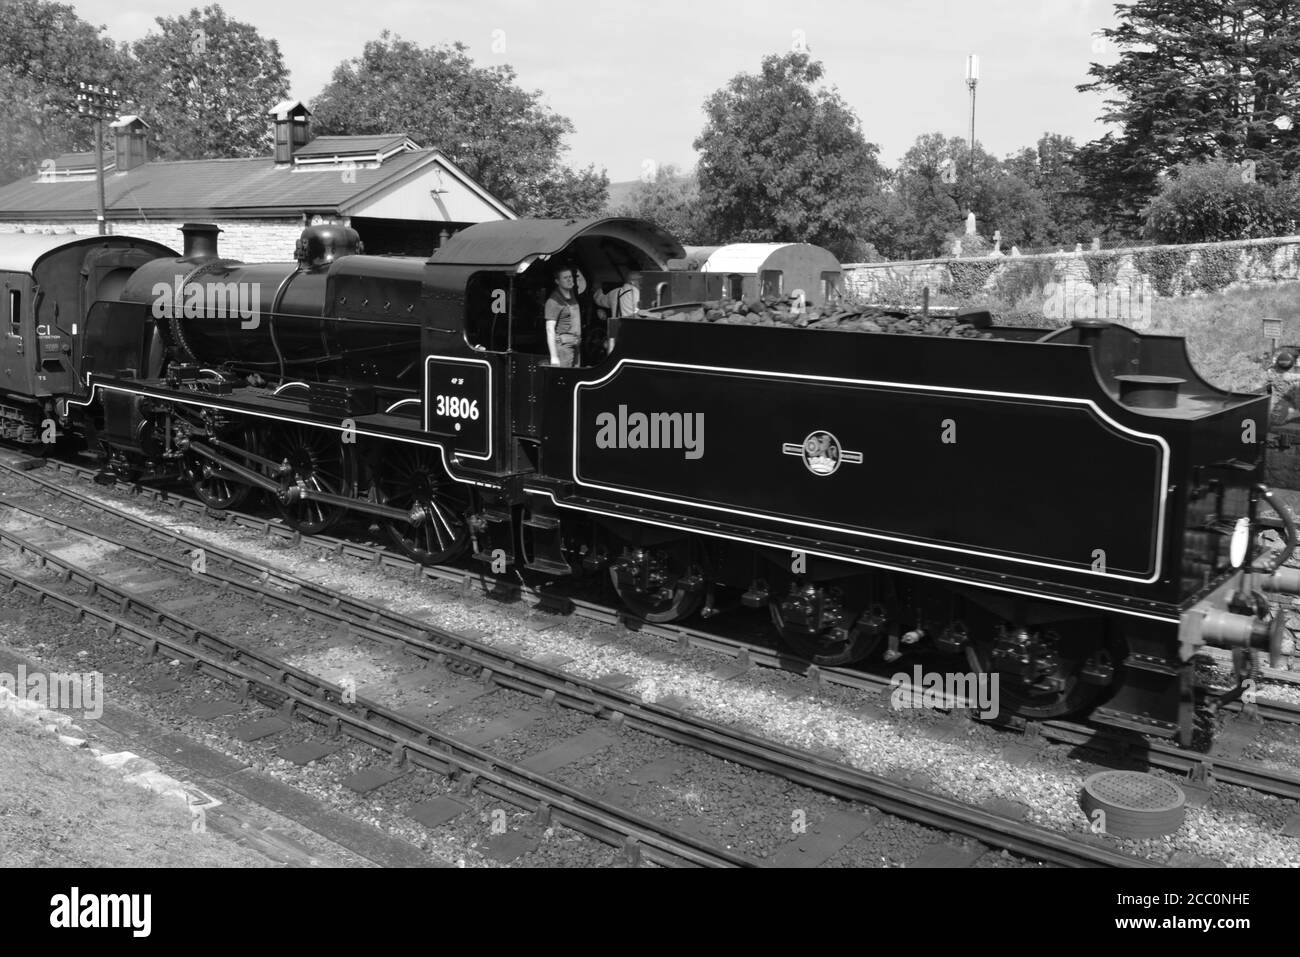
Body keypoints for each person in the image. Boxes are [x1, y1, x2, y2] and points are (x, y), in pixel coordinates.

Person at [595, 270, 641, 353]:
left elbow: (600, 300)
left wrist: (598, 289)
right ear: (633, 282)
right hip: (630, 328)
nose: (642, 284)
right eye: (640, 281)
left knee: (612, 354)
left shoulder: (614, 293)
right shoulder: (638, 294)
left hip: (614, 326)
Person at [544, 267, 583, 367]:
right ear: (557, 281)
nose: (569, 280)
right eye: (565, 278)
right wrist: (554, 357)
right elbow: (549, 329)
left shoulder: (572, 294)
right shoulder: (553, 301)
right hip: (564, 348)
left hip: (576, 344)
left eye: (570, 277)